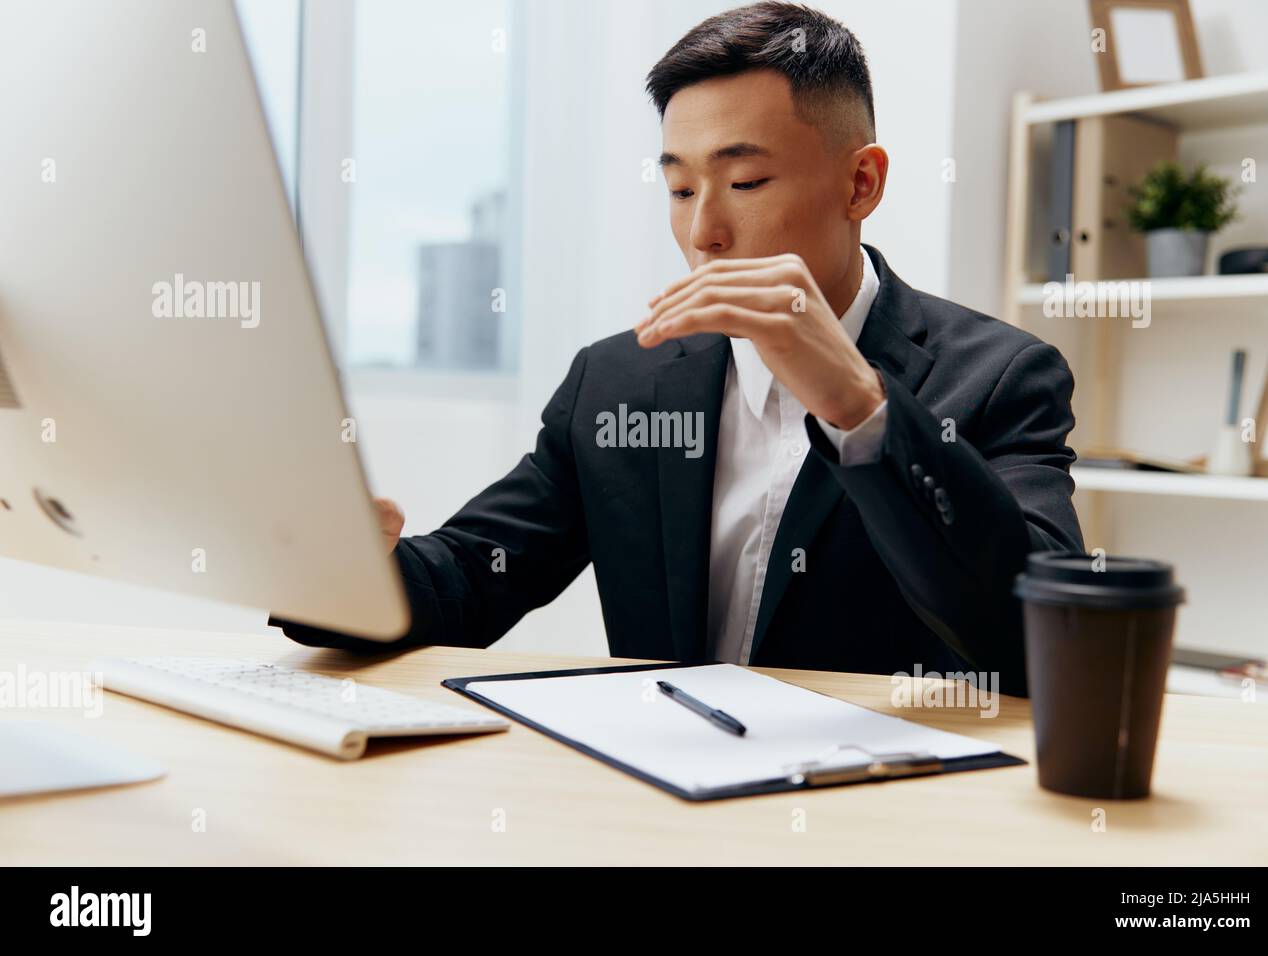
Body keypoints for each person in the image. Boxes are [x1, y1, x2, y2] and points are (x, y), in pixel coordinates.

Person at [274, 1, 1083, 697]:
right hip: (657, 808)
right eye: (681, 189)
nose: (704, 233)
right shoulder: (618, 381)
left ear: (861, 184)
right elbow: (474, 578)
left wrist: (859, 407)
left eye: (746, 184)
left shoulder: (1002, 378)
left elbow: (1035, 640)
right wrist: (341, 569)